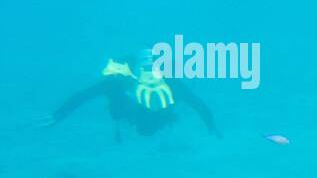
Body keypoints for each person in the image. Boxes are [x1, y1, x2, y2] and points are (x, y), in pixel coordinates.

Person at [49, 50, 219, 139]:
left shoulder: (169, 86)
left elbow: (83, 96)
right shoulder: (119, 84)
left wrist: (58, 115)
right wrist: (211, 126)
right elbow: (198, 105)